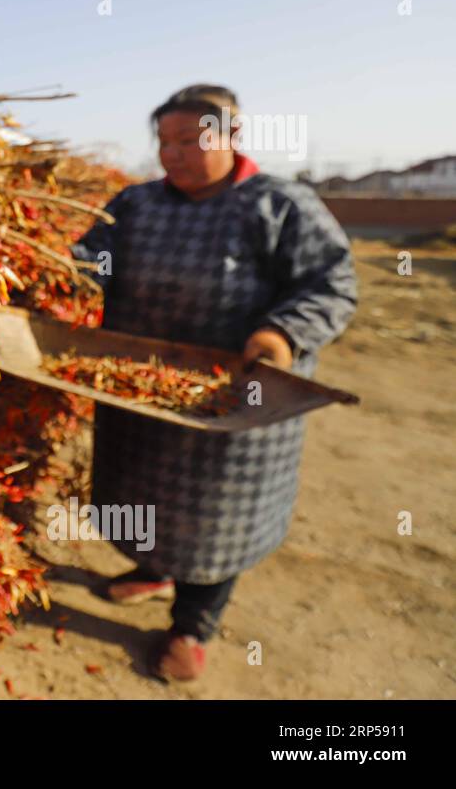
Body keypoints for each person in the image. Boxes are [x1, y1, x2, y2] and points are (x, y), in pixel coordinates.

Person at [69, 85, 357, 681]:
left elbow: (331, 285)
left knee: (217, 515)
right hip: (144, 385)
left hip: (236, 396)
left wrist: (280, 335)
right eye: (164, 141)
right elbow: (90, 260)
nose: (172, 154)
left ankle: (192, 624)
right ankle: (153, 569)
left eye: (189, 140)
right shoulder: (135, 205)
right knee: (140, 488)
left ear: (230, 138)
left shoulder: (278, 205)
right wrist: (61, 274)